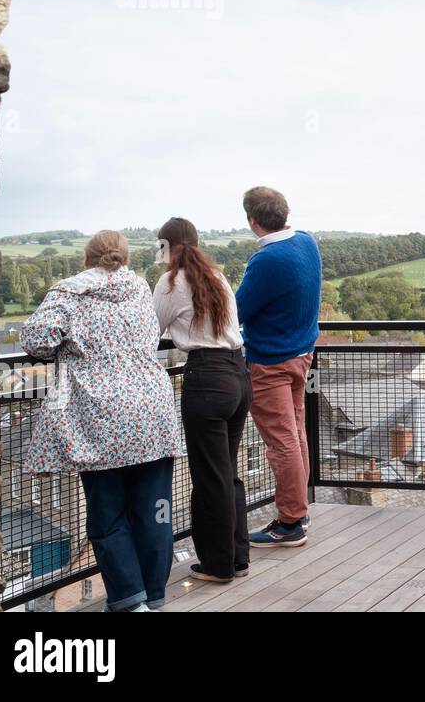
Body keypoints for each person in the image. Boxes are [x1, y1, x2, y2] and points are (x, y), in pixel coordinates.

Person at [21, 230, 182, 612]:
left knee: (107, 515)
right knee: (155, 511)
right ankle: (155, 595)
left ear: (85, 259)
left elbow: (36, 340)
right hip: (153, 413)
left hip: (100, 420)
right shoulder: (140, 288)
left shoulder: (68, 292)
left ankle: (129, 601)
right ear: (124, 259)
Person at [153, 217, 251, 584]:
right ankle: (238, 558)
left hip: (207, 380)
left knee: (210, 477)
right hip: (239, 374)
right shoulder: (217, 276)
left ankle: (218, 564)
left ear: (166, 246)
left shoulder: (170, 282)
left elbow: (149, 332)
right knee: (227, 471)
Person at [235, 186, 322, 547]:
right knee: (296, 432)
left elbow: (237, 311)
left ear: (252, 221)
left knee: (281, 440)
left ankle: (291, 521)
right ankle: (299, 510)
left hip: (270, 360)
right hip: (302, 353)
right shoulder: (307, 242)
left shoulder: (267, 260)